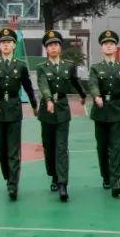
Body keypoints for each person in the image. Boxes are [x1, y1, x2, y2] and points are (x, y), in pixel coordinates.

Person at [0, 27, 38, 201]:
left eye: (9, 42)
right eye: (3, 43)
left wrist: (34, 104)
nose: (6, 45)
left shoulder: (21, 66)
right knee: (2, 150)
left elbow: (28, 87)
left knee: (14, 150)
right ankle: (8, 175)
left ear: (14, 45)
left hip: (15, 110)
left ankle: (13, 184)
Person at [36, 29, 86, 202]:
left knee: (62, 148)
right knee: (49, 148)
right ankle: (54, 175)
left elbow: (74, 81)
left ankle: (63, 184)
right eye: (50, 45)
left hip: (63, 109)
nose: (53, 48)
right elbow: (42, 84)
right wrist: (48, 99)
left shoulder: (68, 65)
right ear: (46, 49)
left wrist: (83, 94)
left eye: (56, 44)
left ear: (60, 47)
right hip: (46, 112)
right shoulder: (42, 67)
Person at [88, 30, 120, 198]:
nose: (108, 46)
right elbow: (93, 84)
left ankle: (116, 180)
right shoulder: (96, 68)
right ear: (102, 48)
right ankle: (106, 176)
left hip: (116, 110)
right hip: (100, 111)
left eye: (111, 43)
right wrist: (96, 96)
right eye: (105, 44)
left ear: (116, 47)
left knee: (115, 147)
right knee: (102, 147)